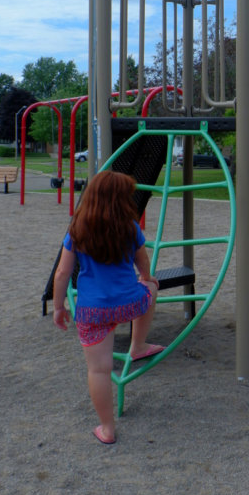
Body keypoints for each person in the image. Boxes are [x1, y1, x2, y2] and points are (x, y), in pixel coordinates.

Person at [53, 170, 164, 445]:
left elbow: (62, 273)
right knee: (150, 288)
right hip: (128, 305)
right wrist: (147, 279)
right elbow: (143, 263)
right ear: (120, 200)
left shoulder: (77, 227)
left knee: (99, 371)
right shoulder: (129, 226)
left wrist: (58, 307)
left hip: (93, 312)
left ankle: (107, 428)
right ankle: (138, 345)